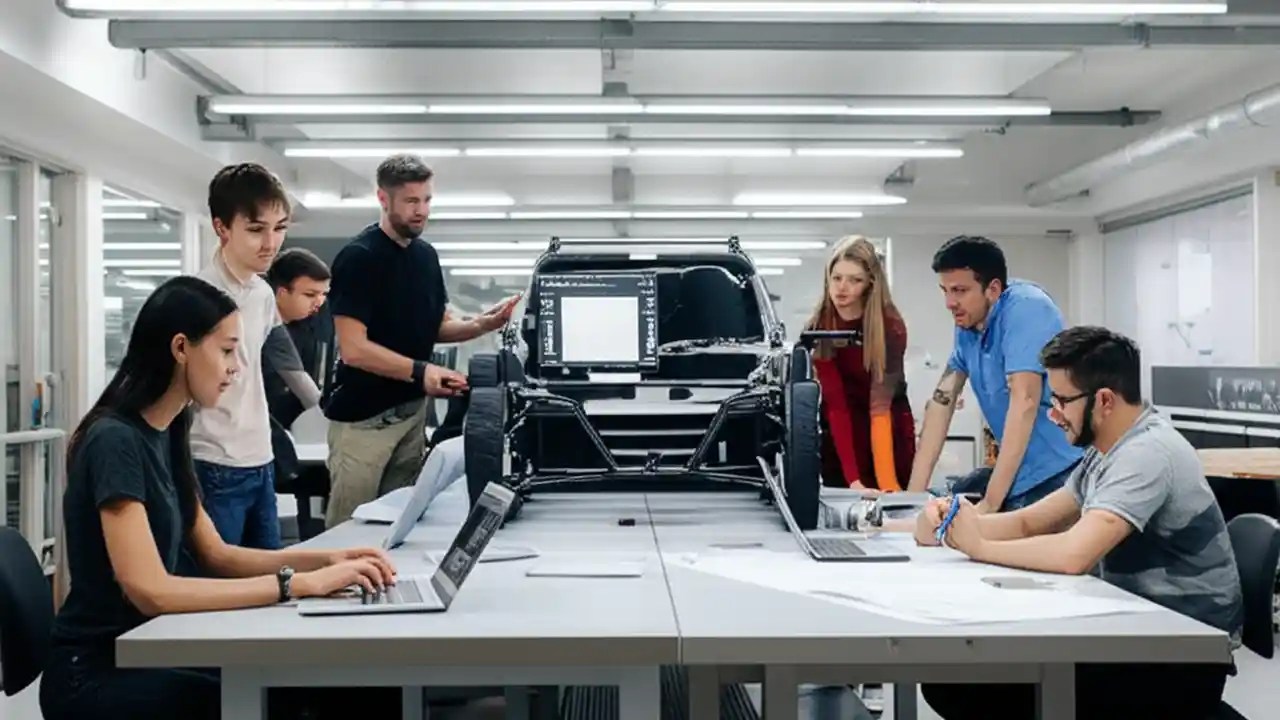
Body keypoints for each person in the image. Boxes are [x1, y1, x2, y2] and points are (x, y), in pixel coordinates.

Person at [39, 276, 397, 720]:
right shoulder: (115, 441)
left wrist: (327, 560)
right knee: (293, 699)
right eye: (226, 350)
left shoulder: (168, 429)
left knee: (317, 685)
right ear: (181, 348)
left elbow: (217, 555)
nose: (237, 367)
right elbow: (149, 590)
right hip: (97, 673)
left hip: (153, 647)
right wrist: (296, 585)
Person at [915, 326, 1242, 720]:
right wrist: (950, 525)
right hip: (1135, 633)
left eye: (1061, 401)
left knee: (960, 689)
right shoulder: (1105, 451)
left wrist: (978, 546)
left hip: (1177, 659)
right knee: (953, 681)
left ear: (1104, 400)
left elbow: (1074, 554)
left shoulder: (1147, 453)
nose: (1053, 414)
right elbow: (1031, 522)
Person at [322, 153, 518, 527]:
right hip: (364, 423)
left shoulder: (426, 258)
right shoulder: (359, 258)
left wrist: (483, 324)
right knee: (350, 532)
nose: (422, 210)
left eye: (427, 200)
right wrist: (421, 372)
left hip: (410, 417)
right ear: (384, 199)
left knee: (399, 524)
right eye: (411, 201)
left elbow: (435, 326)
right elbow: (354, 349)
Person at [191, 163, 322, 550]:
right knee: (218, 592)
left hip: (260, 459)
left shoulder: (263, 295)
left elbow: (279, 369)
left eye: (279, 228)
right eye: (255, 229)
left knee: (269, 584)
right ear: (221, 227)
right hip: (213, 461)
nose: (271, 243)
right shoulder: (198, 297)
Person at [905, 235, 1081, 512]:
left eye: (960, 290)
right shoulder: (968, 325)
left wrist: (989, 506)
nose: (950, 302)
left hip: (1062, 472)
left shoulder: (1027, 309)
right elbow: (942, 403)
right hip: (1020, 474)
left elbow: (1025, 402)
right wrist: (911, 500)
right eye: (945, 291)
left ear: (993, 289)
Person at [804, 235, 914, 491]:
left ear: (870, 284)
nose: (842, 288)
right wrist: (854, 481)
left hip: (887, 425)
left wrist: (887, 485)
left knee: (891, 496)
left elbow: (880, 407)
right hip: (843, 430)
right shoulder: (819, 328)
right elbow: (837, 406)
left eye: (855, 280)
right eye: (837, 278)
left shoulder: (890, 327)